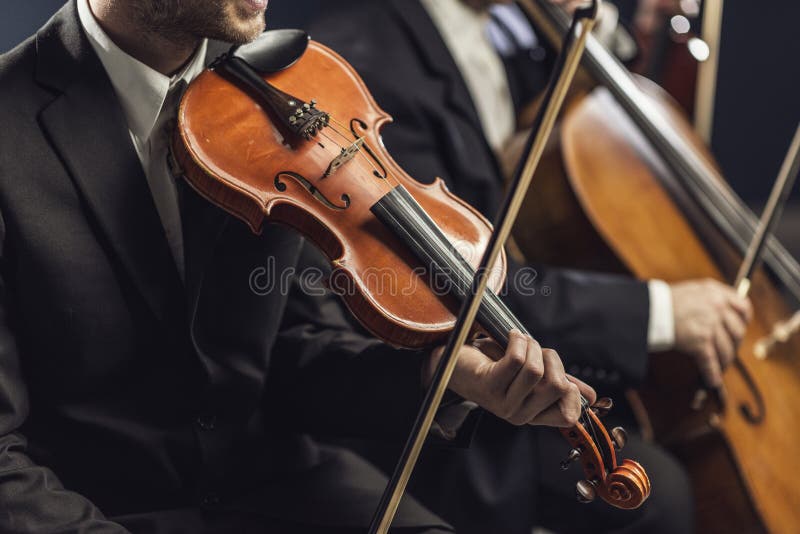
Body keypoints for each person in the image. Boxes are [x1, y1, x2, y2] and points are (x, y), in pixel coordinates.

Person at [0, 0, 597, 532]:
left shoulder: (278, 93)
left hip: (280, 486)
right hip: (102, 508)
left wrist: (444, 379)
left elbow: (288, 352)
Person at [309, 1, 752, 533]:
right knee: (658, 496)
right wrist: (657, 311)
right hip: (428, 409)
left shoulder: (501, 35)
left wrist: (611, 35)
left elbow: (588, 137)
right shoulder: (366, 58)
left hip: (532, 351)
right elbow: (453, 280)